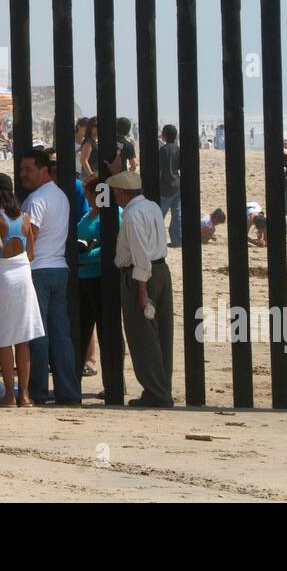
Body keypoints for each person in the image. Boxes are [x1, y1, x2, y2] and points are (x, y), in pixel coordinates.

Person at [0, 173, 44, 407]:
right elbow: (32, 253)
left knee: (4, 337)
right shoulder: (24, 217)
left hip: (2, 275)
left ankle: (10, 396)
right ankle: (24, 395)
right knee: (22, 338)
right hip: (23, 272)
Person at [20, 149, 81, 406]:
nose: (23, 175)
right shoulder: (61, 196)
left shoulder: (36, 199)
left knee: (38, 334)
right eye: (21, 170)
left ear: (44, 170)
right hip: (59, 268)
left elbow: (29, 236)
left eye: (28, 170)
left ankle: (38, 391)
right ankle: (69, 391)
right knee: (61, 334)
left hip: (39, 269)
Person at [108, 170, 174, 407]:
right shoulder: (152, 207)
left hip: (140, 275)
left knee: (142, 336)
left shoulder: (132, 214)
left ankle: (156, 392)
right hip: (161, 272)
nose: (114, 197)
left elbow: (139, 253)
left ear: (123, 193)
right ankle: (162, 387)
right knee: (162, 335)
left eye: (116, 193)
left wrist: (142, 289)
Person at [76, 171, 120, 381]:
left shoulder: (112, 214)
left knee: (107, 332)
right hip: (83, 278)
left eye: (88, 192)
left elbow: (113, 247)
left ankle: (113, 382)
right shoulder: (89, 214)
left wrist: (87, 256)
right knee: (81, 330)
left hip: (101, 278)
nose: (85, 196)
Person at [158, 124, 182, 247]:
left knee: (159, 215)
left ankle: (156, 240)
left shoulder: (163, 150)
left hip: (166, 186)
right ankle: (177, 240)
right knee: (177, 214)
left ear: (165, 135)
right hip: (177, 184)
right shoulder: (178, 149)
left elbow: (160, 169)